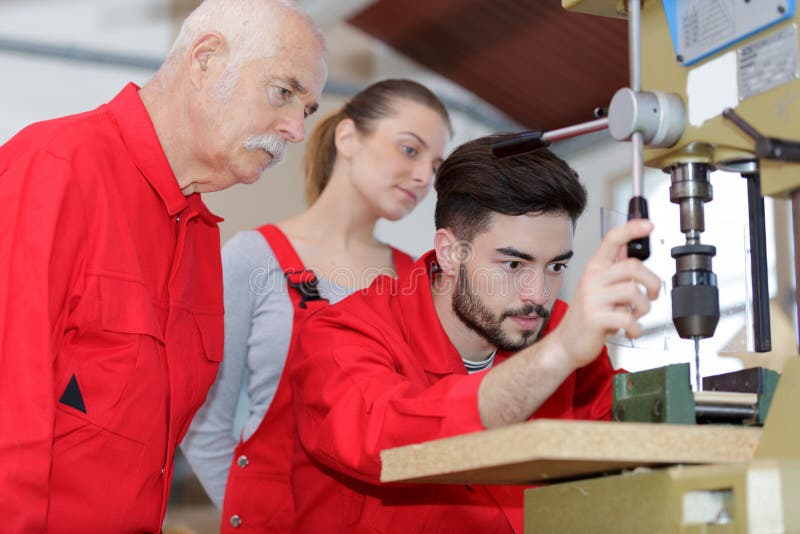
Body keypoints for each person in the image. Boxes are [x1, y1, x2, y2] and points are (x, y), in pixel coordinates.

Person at [0, 0, 326, 531]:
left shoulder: (200, 235)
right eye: (284, 92)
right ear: (205, 60)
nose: (295, 129)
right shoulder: (53, 170)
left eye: (307, 110)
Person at [285, 134, 661, 532]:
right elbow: (387, 437)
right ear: (450, 253)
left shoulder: (557, 331)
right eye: (514, 265)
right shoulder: (340, 335)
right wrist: (557, 354)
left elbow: (623, 420)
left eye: (556, 267)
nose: (538, 296)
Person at [181, 79, 452, 531]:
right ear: (348, 138)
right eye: (410, 150)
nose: (425, 177)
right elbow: (204, 422)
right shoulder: (253, 258)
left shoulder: (420, 283)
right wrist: (253, 516)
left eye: (436, 165)